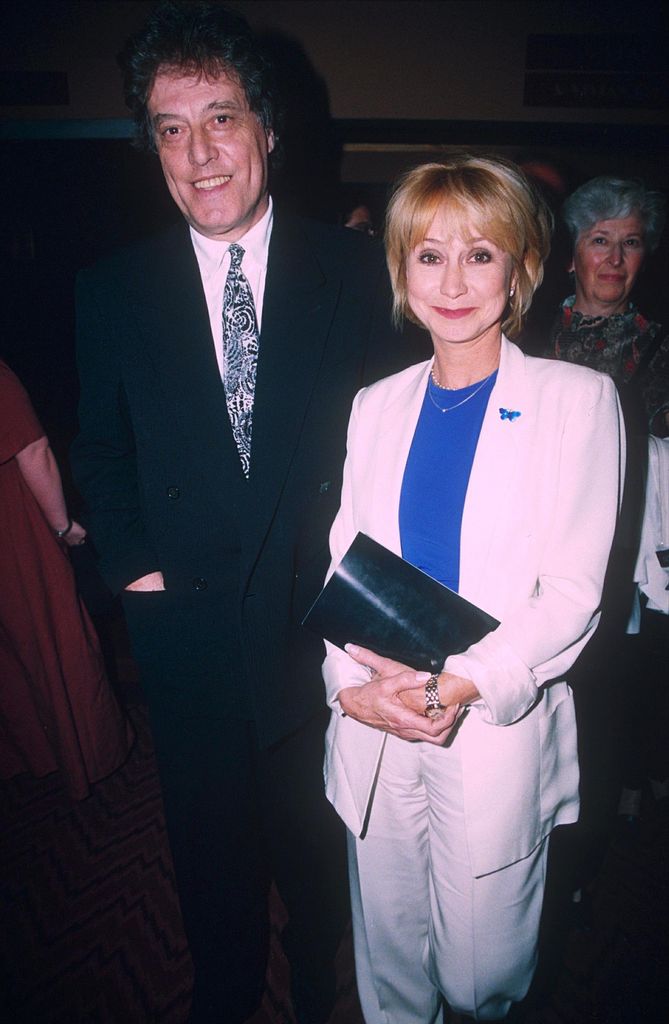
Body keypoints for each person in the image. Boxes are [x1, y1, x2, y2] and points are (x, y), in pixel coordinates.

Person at [69, 3, 411, 1022]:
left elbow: (394, 460)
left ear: (267, 128)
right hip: (190, 634)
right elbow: (104, 447)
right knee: (209, 867)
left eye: (220, 118)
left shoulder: (361, 273)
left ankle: (315, 989)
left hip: (322, 635)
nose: (200, 152)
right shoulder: (112, 288)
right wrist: (138, 575)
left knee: (319, 863)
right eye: (171, 128)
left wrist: (384, 628)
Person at [321, 156, 624, 1023]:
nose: (452, 281)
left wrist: (454, 684)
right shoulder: (374, 404)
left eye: (480, 255)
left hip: (490, 720)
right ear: (400, 271)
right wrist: (358, 693)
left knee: (479, 976)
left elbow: (571, 593)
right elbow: (349, 564)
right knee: (389, 965)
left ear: (521, 268)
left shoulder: (578, 399)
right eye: (427, 255)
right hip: (379, 714)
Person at [543, 177, 669, 864]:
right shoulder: (524, 339)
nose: (614, 258)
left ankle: (580, 858)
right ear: (571, 254)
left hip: (619, 557)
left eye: (630, 243)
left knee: (599, 706)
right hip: (533, 548)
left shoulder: (660, 353)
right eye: (599, 241)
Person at [0, 360, 132, 800]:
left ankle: (38, 756)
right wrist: (62, 527)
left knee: (13, 654)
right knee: (58, 635)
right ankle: (91, 757)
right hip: (14, 530)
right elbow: (33, 450)